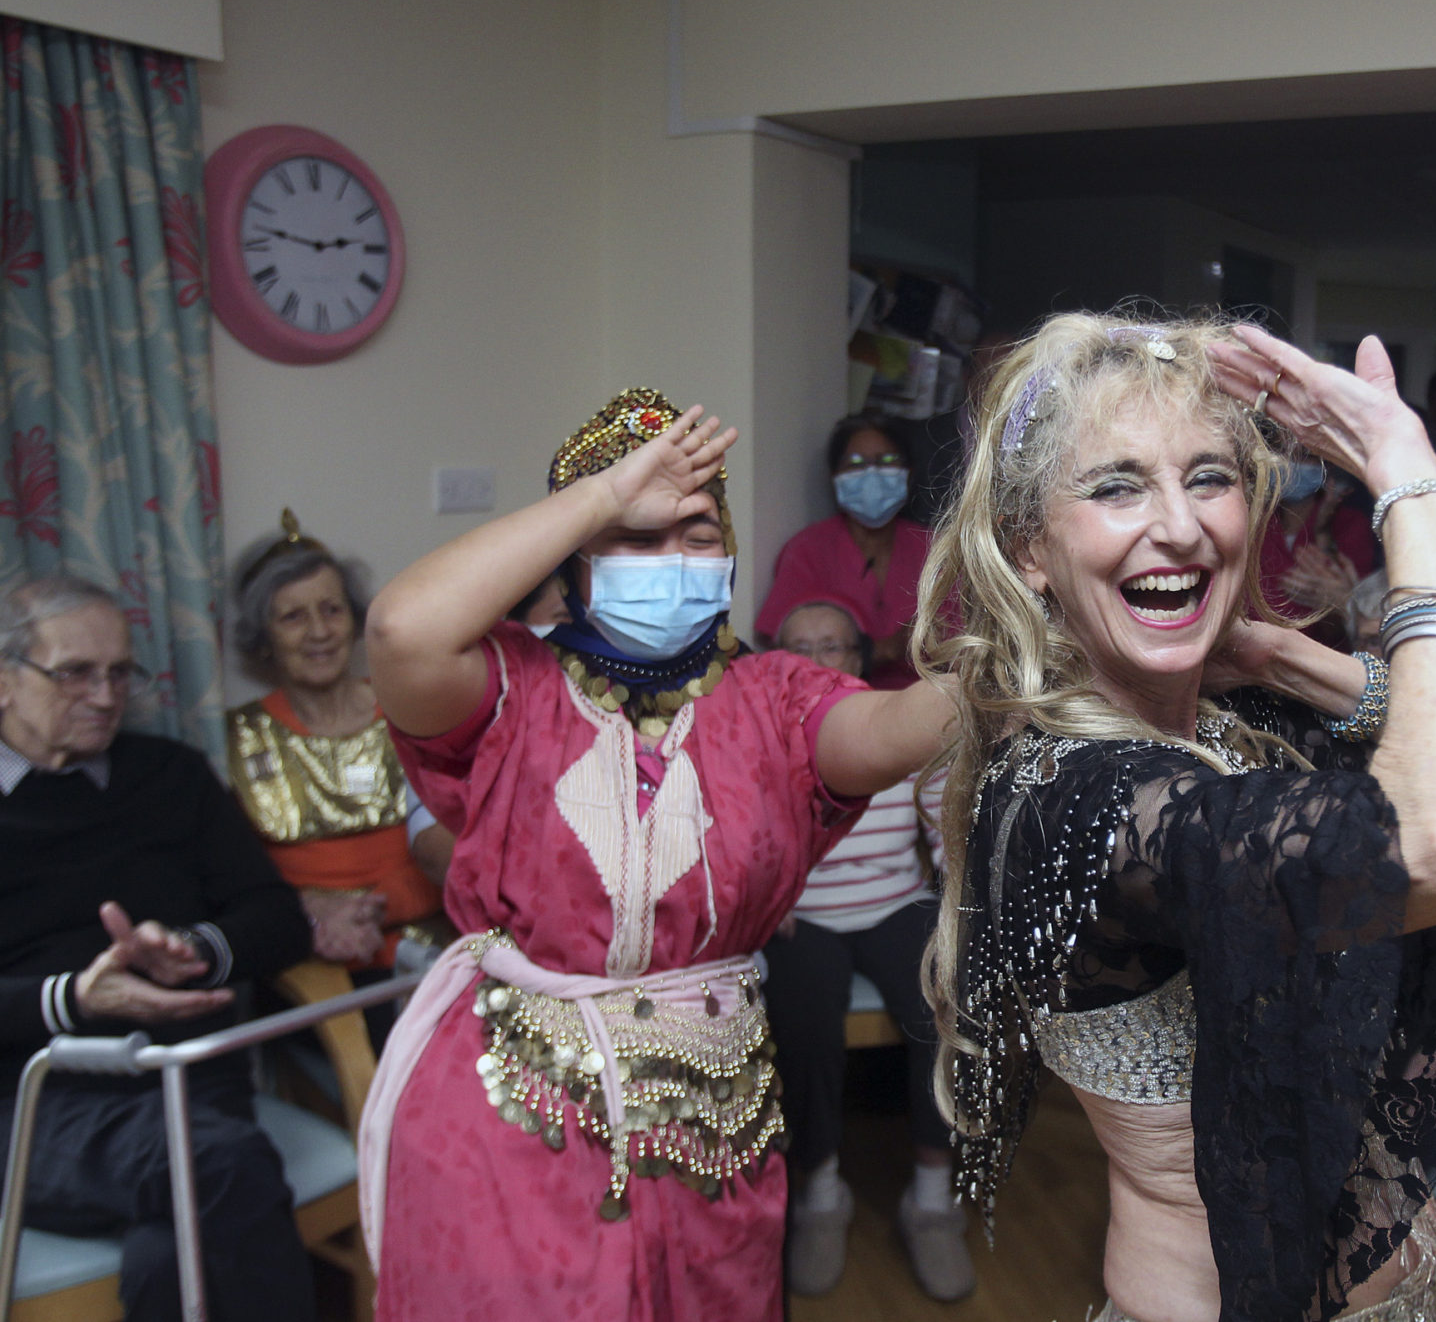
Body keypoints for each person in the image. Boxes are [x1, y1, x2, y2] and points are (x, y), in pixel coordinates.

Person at [917, 314, 1436, 1322]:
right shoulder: (1070, 801)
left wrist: (1290, 658)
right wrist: (1407, 474)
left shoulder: (1233, 723)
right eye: (1116, 484)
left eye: (1208, 476)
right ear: (1029, 548)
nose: (1180, 525)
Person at [358, 389, 954, 1322]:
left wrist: (1040, 618)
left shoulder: (776, 697)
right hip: (511, 1110)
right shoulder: (509, 684)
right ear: (579, 564)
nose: (672, 560)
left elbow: (895, 725)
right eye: (637, 541)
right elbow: (402, 630)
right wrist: (602, 497)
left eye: (698, 533)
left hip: (714, 1123)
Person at [0, 574, 314, 1322]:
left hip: (188, 1078)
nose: (107, 696)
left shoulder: (170, 776)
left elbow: (279, 921)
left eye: (120, 672)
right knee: (219, 1165)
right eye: (75, 672)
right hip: (35, 1098)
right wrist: (73, 998)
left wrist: (193, 949)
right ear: (5, 680)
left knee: (172, 1250)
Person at [763, 596, 971, 1301]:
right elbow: (735, 832)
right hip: (804, 916)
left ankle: (932, 1197)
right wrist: (768, 899)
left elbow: (947, 819)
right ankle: (820, 1192)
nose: (817, 661)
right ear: (775, 660)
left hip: (894, 900)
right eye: (800, 647)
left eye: (833, 646)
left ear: (857, 659)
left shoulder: (898, 720)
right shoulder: (755, 729)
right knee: (803, 1025)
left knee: (942, 1006)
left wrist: (953, 901)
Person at [225, 511, 451, 979]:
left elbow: (458, 844)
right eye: (293, 617)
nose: (319, 632)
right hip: (306, 961)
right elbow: (238, 883)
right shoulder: (238, 739)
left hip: (434, 944)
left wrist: (380, 906)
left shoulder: (409, 711)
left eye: (332, 609)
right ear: (264, 638)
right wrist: (312, 914)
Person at [756, 413, 932, 689]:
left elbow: (959, 639)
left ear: (909, 473)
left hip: (926, 705)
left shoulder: (935, 548)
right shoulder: (807, 550)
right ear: (834, 475)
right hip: (831, 705)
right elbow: (787, 648)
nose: (871, 474)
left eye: (887, 461)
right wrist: (886, 649)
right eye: (855, 464)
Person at [1258, 452, 1379, 649]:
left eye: (1305, 456)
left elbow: (1350, 622)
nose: (1292, 464)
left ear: (1327, 467)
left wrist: (1342, 603)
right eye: (1284, 453)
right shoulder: (1255, 523)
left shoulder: (1350, 525)